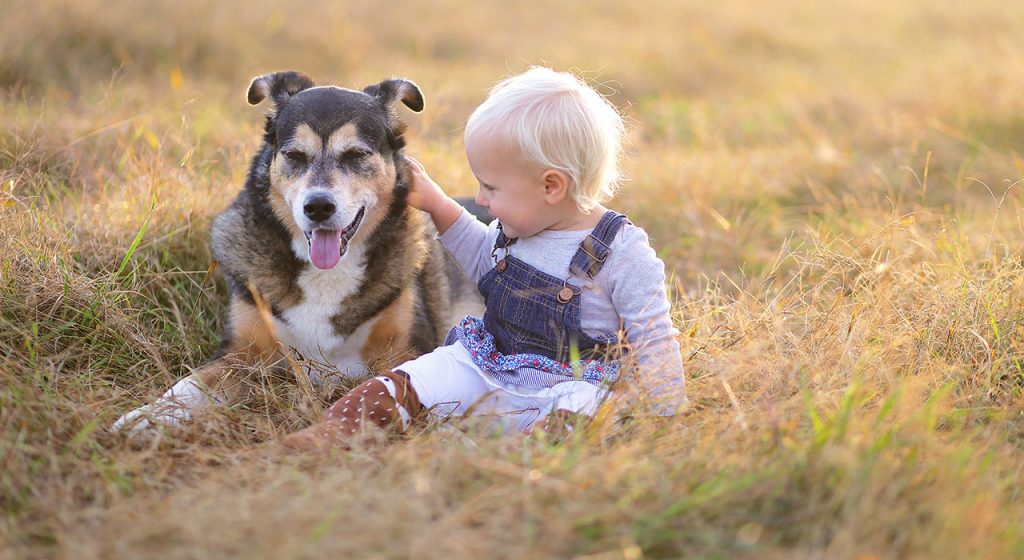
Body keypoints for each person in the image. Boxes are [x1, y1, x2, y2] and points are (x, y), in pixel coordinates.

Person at [283, 67, 685, 450]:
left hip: (567, 385)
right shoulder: (521, 228)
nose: (479, 200)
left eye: (490, 188)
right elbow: (478, 252)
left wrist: (665, 413)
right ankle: (335, 431)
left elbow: (653, 334)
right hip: (488, 367)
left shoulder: (621, 252)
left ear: (551, 186)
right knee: (421, 374)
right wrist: (439, 205)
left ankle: (524, 455)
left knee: (587, 408)